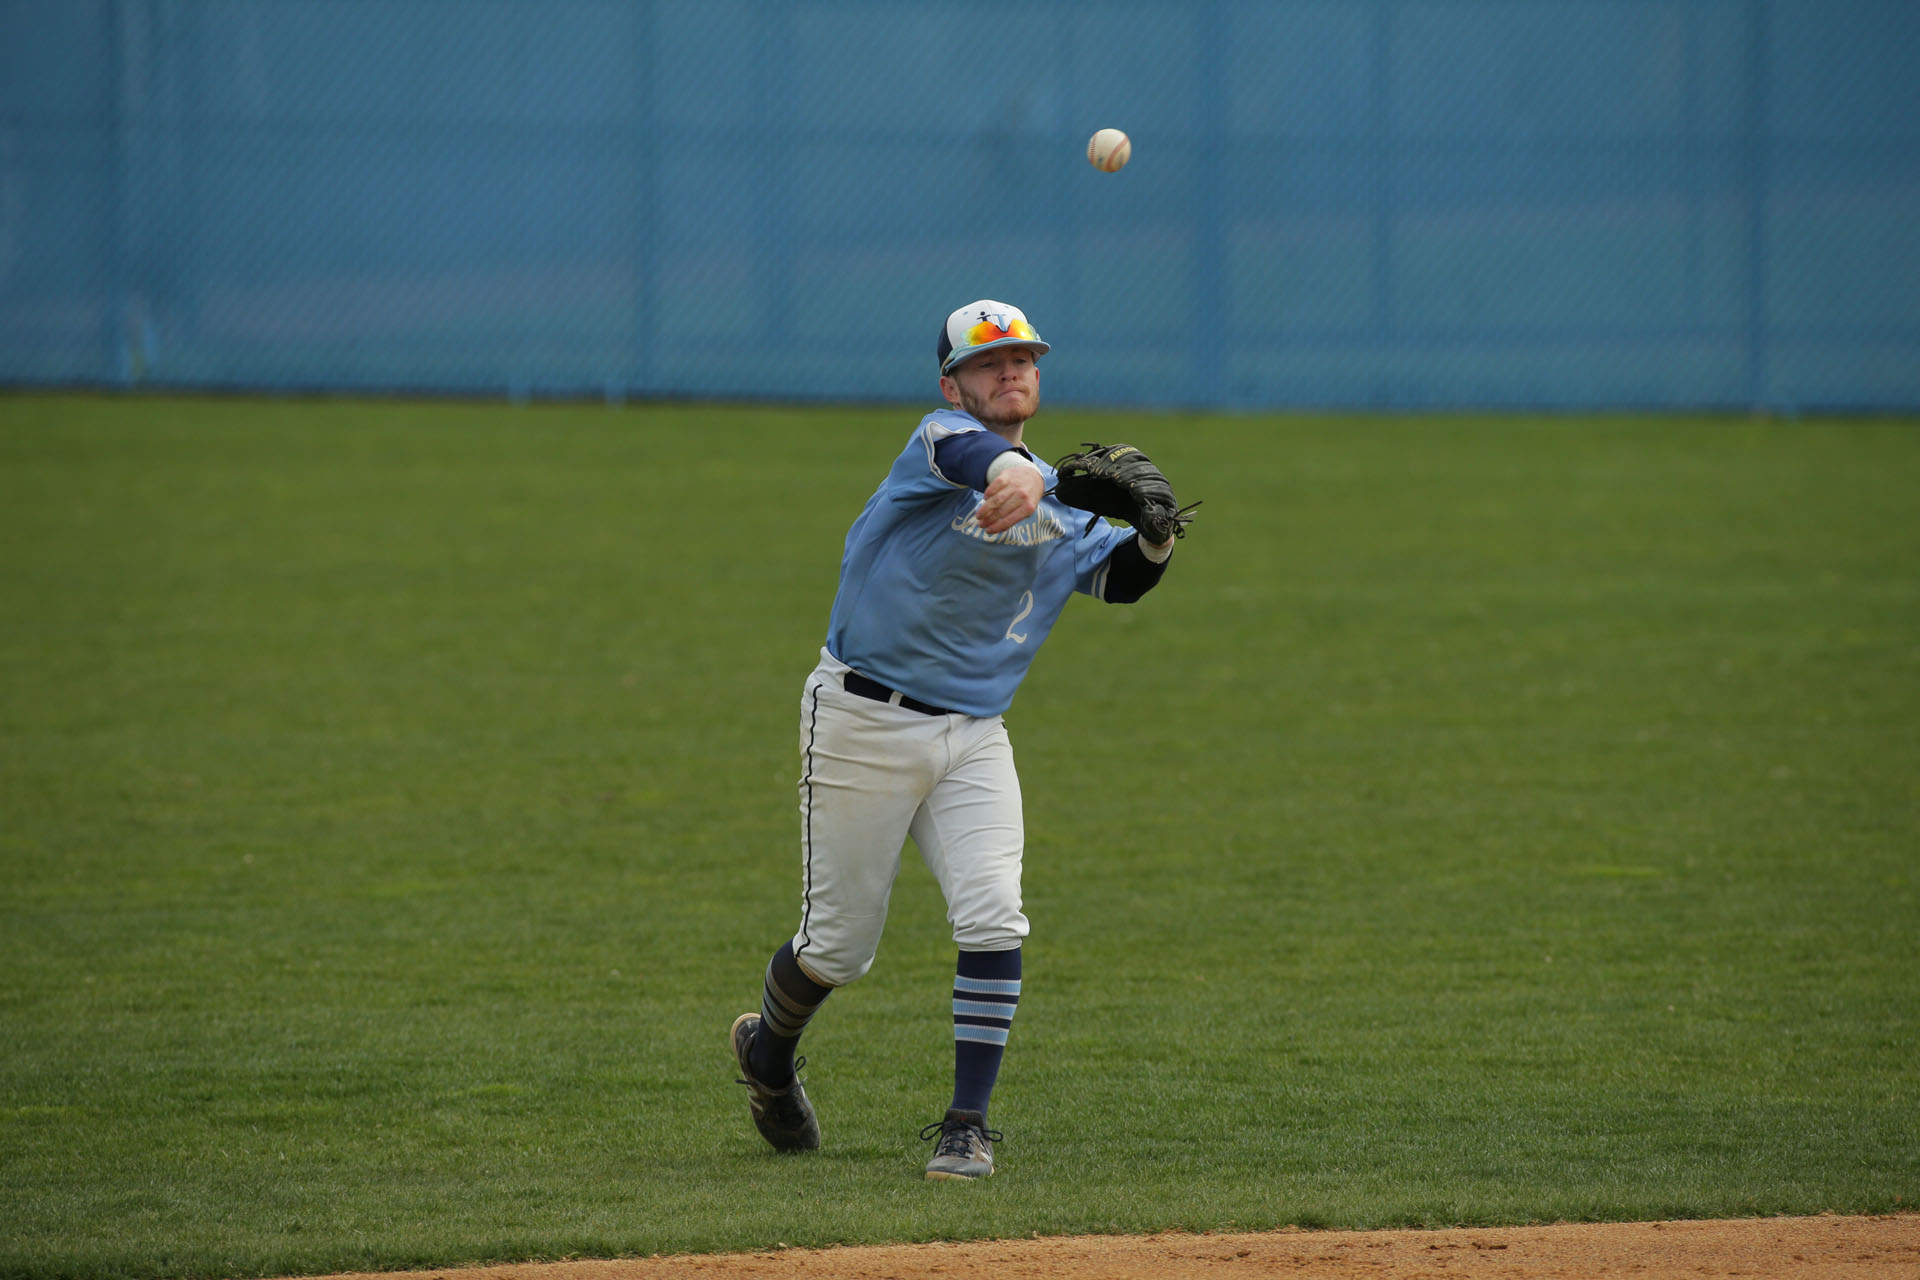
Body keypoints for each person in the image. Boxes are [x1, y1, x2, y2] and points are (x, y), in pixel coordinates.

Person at [729, 299, 1184, 1180]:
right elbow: (987, 468)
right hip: (863, 718)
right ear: (954, 384)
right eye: (988, 364)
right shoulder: (939, 445)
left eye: (1022, 360)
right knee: (838, 948)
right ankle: (767, 1057)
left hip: (975, 735)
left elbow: (1119, 582)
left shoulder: (1061, 500)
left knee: (992, 911)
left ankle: (965, 1125)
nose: (1009, 372)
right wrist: (1030, 478)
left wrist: (1158, 538)